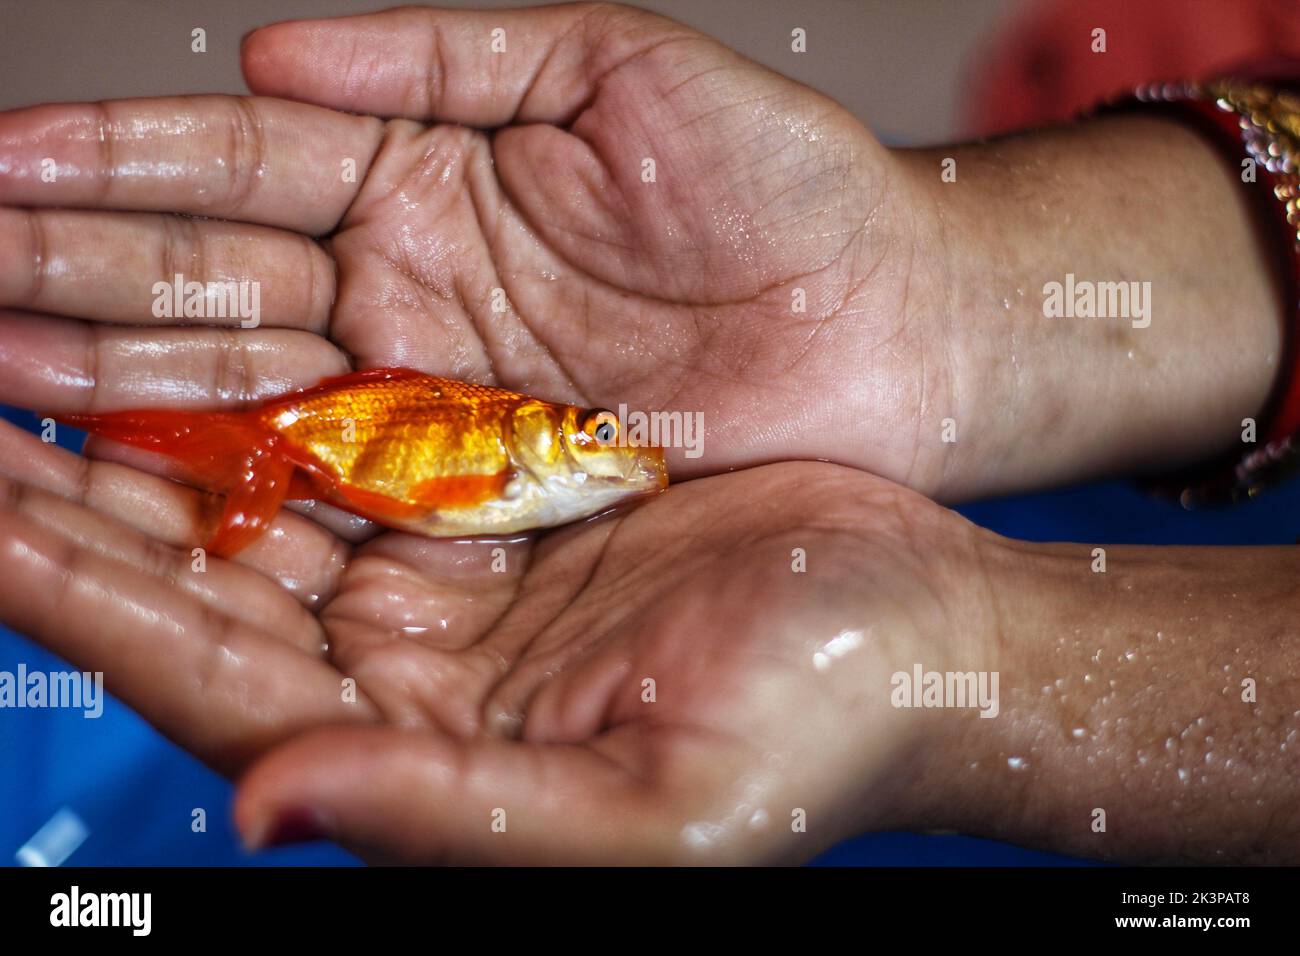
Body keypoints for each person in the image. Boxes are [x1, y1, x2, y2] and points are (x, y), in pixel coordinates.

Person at [0, 2, 1297, 864]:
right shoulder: (483, 449)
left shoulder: (542, 461)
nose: (621, 461)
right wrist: (951, 279)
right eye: (594, 443)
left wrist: (969, 654)